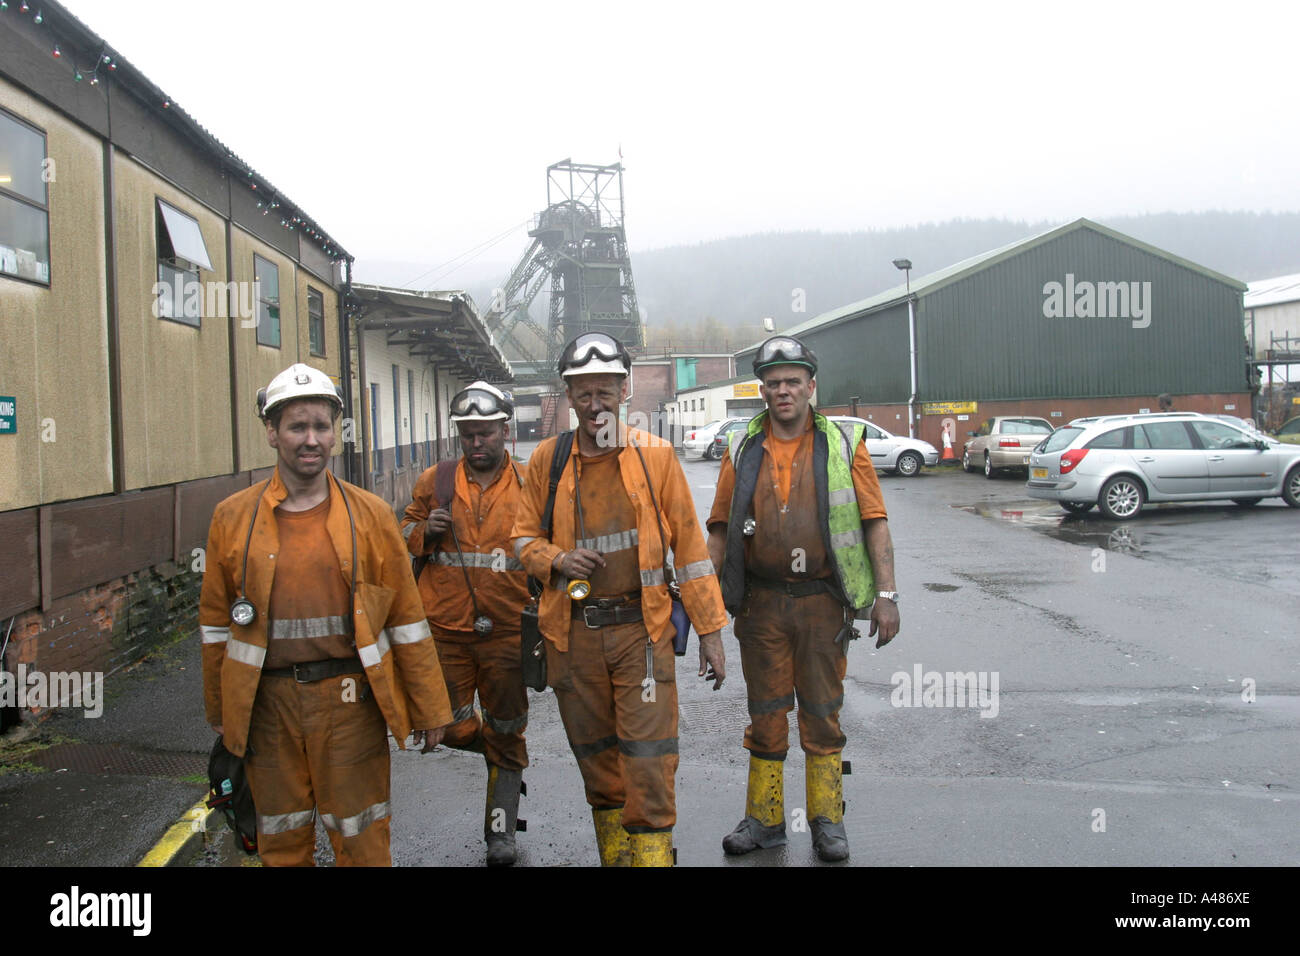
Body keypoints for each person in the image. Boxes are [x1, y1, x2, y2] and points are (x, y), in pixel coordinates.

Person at [199, 363, 453, 866]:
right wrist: (223, 714)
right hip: (268, 708)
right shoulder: (232, 519)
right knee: (281, 841)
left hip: (350, 705)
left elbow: (406, 618)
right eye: (296, 427)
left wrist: (430, 709)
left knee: (362, 839)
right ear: (272, 433)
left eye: (321, 426)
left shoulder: (372, 516)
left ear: (336, 433)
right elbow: (214, 626)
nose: (310, 439)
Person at [511, 332, 728, 867]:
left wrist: (710, 631)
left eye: (604, 391)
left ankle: (653, 857)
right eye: (583, 393)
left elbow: (693, 550)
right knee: (598, 762)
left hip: (643, 633)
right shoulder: (548, 460)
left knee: (649, 762)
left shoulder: (655, 457)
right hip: (573, 634)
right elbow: (520, 540)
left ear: (623, 389)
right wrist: (557, 560)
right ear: (569, 397)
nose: (594, 404)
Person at [707, 335, 900, 862]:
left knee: (821, 713)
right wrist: (710, 602)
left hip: (821, 602)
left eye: (793, 381)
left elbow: (874, 523)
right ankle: (764, 820)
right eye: (774, 383)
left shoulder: (843, 443)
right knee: (765, 713)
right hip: (761, 604)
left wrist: (886, 595)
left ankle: (827, 820)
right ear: (762, 391)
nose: (783, 390)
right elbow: (720, 528)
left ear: (812, 387)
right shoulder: (742, 447)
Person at [400, 381, 531, 867]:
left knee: (507, 725)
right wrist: (421, 532)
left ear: (504, 430)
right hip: (445, 629)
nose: (478, 443)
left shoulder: (529, 484)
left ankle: (501, 831)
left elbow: (545, 544)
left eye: (486, 433)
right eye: (468, 434)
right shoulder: (435, 481)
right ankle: (507, 761)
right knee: (448, 727)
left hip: (507, 630)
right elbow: (403, 534)